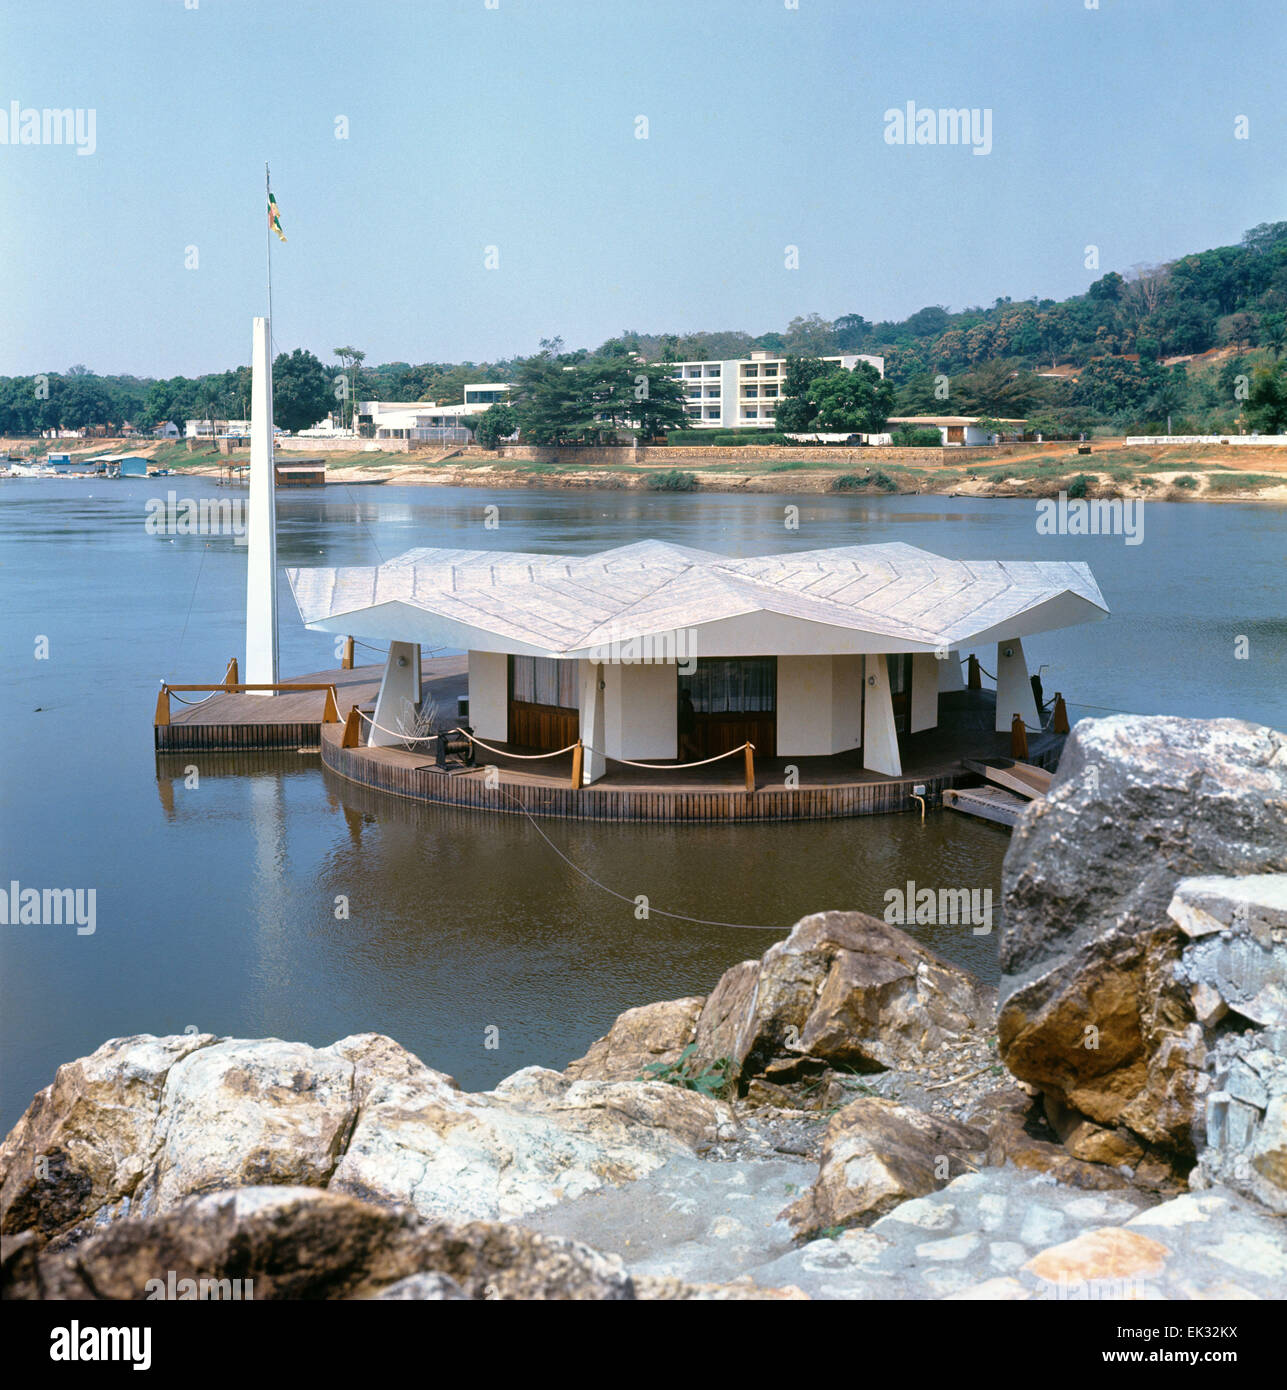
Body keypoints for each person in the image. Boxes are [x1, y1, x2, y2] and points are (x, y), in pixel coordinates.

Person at [677, 688, 699, 760]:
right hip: (684, 726)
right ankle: (681, 758)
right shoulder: (685, 703)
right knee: (682, 743)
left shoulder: (687, 704)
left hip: (685, 726)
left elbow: (689, 717)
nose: (681, 696)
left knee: (686, 743)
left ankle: (701, 755)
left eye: (683, 694)